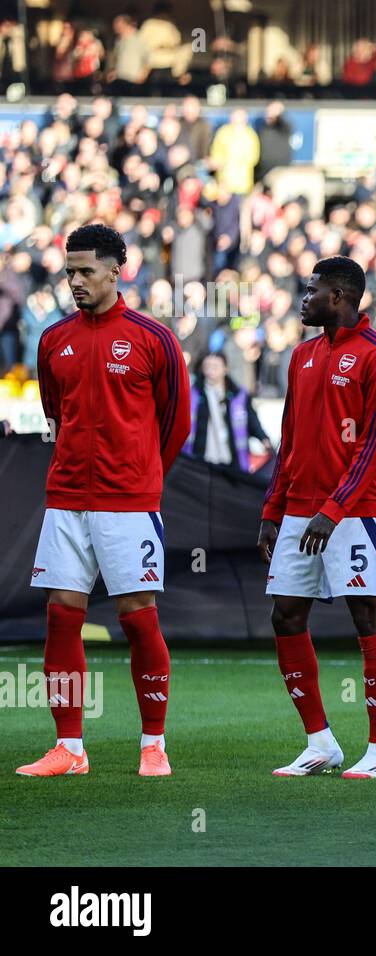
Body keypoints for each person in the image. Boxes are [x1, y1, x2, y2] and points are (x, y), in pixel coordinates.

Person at [19, 224, 190, 778]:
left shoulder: (153, 338)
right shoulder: (53, 340)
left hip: (129, 502)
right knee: (61, 618)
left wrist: (143, 479)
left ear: (117, 271)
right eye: (69, 271)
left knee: (138, 619)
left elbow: (176, 423)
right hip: (66, 498)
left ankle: (153, 743)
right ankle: (70, 748)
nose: (75, 281)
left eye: (85, 271)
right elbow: (55, 414)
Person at [257, 256, 376, 779]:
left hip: (356, 513)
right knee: (286, 617)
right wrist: (274, 509)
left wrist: (333, 509)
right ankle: (321, 742)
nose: (303, 298)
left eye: (311, 290)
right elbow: (289, 441)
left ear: (339, 296)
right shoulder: (301, 355)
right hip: (300, 510)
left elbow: (373, 446)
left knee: (366, 617)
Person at [184, 351, 269, 470]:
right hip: (201, 459)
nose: (210, 371)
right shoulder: (193, 393)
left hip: (232, 460)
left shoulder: (238, 394)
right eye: (207, 366)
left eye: (215, 367)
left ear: (225, 369)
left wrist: (263, 438)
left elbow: (251, 420)